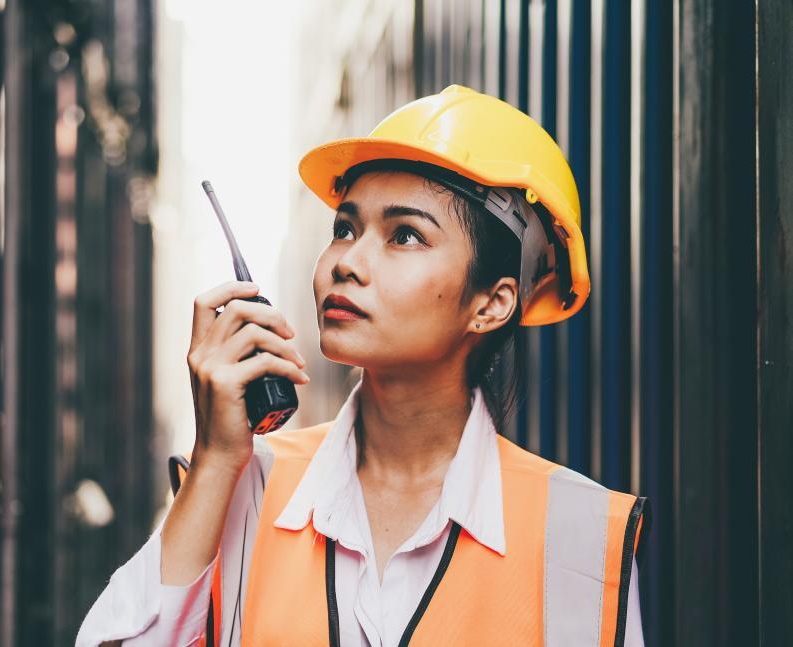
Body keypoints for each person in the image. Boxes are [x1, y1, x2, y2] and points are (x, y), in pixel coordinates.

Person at [76, 85, 646, 647]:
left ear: (492, 303)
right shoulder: (242, 485)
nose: (348, 260)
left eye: (405, 236)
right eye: (344, 229)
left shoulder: (579, 534)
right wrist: (216, 460)